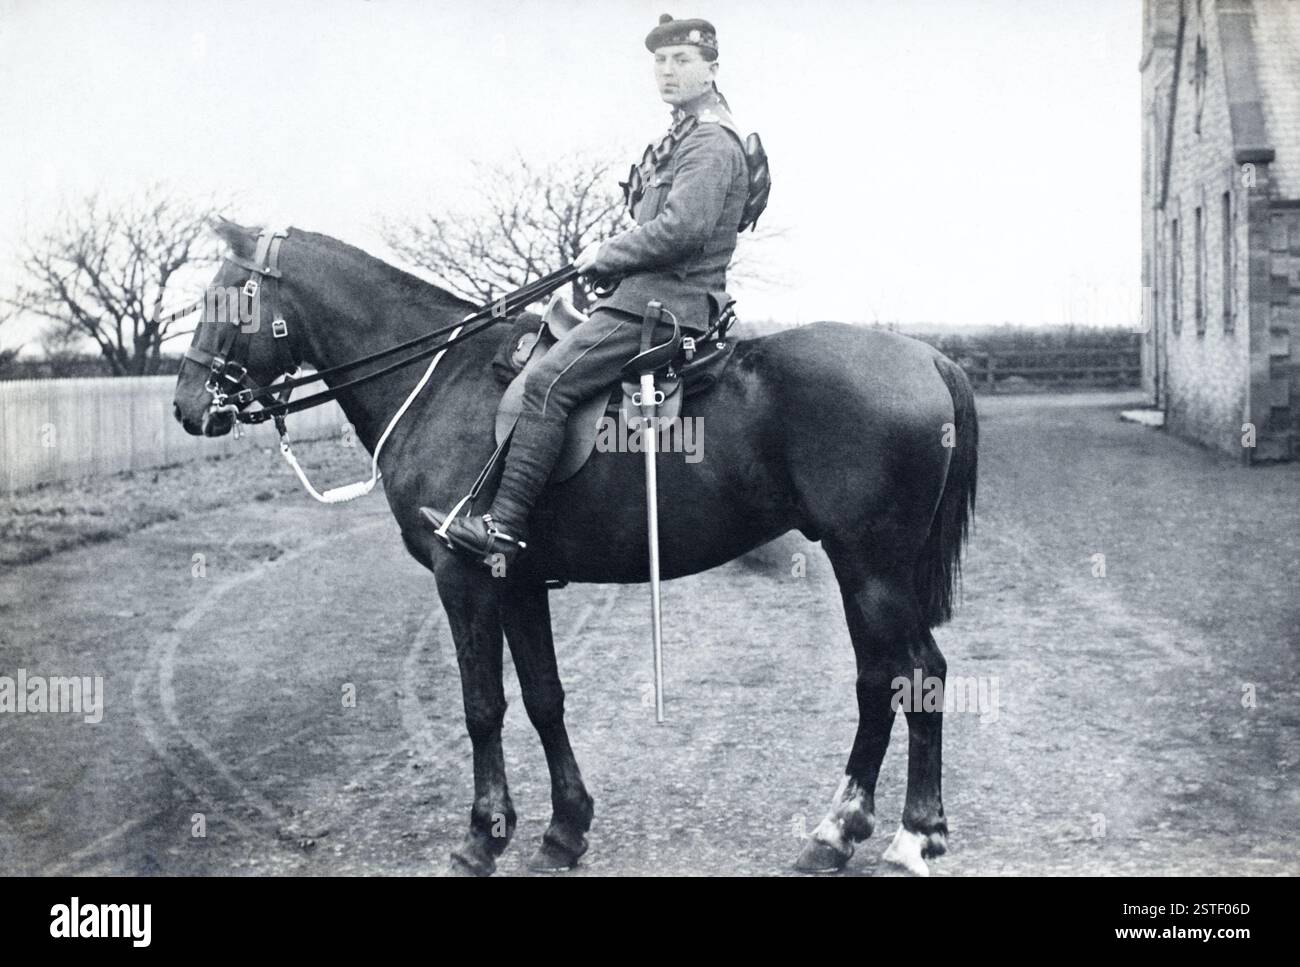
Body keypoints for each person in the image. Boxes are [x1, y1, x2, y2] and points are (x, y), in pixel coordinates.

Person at [421, 13, 750, 564]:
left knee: (546, 384)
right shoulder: (682, 138)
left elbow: (683, 230)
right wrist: (610, 269)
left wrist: (606, 253)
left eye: (682, 61)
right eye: (660, 62)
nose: (667, 72)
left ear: (712, 69)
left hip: (666, 308)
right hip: (643, 295)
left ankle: (504, 528)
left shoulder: (711, 143)